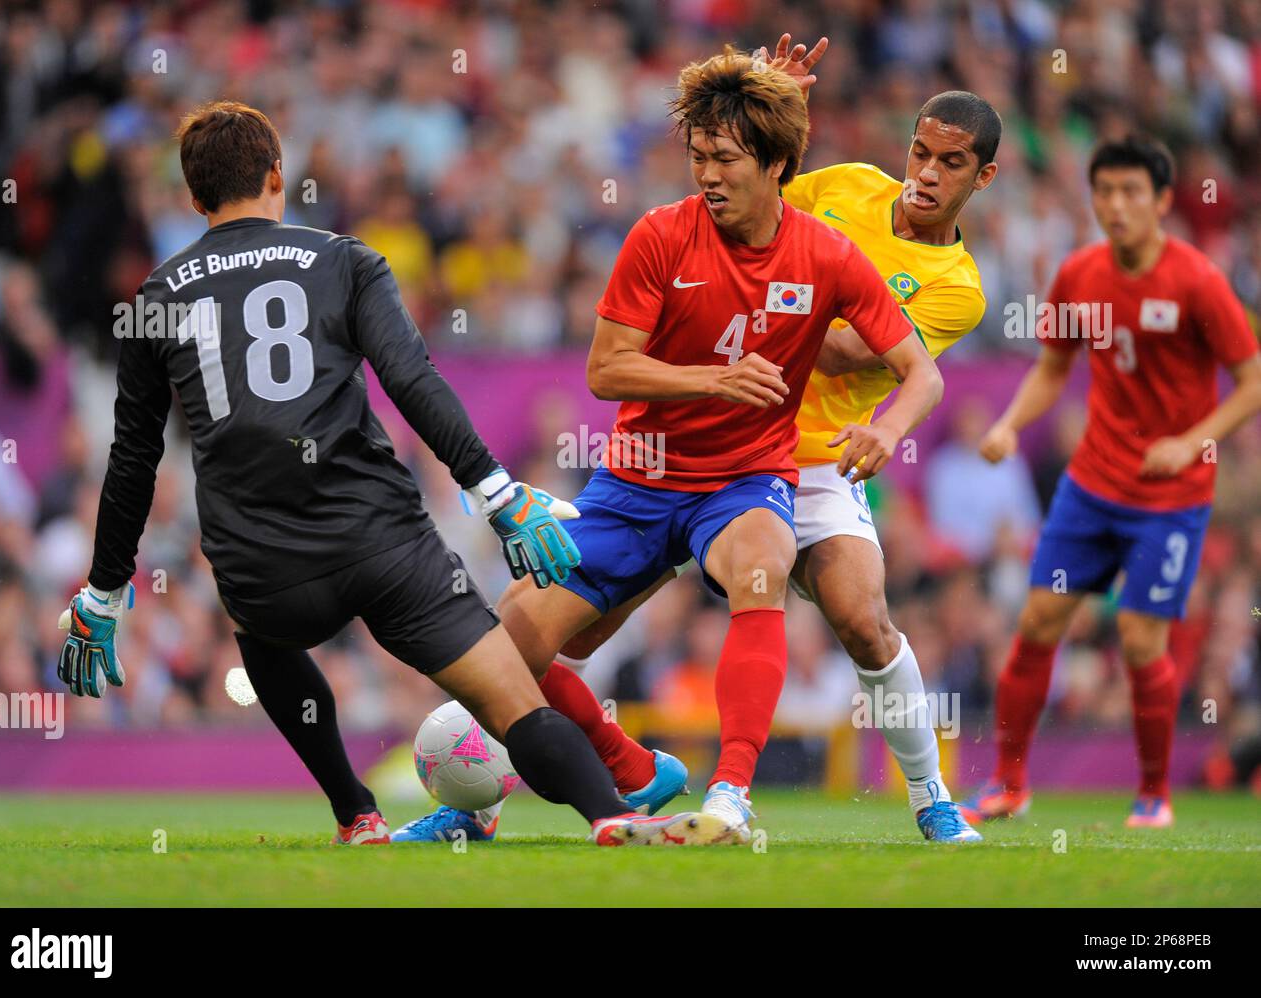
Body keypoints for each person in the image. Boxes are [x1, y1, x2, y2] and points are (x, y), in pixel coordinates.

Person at [55, 100, 726, 848]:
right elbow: (415, 381)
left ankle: (355, 813)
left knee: (261, 638)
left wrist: (106, 591)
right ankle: (612, 815)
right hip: (382, 541)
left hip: (262, 559)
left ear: (193, 197)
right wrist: (496, 494)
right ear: (279, 176)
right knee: (514, 703)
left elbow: (133, 457)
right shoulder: (343, 259)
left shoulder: (159, 297)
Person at [416, 35, 998, 844]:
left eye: (951, 162)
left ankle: (909, 796)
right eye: (920, 153)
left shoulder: (949, 286)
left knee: (858, 617)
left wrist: (880, 423)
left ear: (982, 177)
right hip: (650, 473)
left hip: (803, 460)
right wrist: (770, 99)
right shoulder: (806, 202)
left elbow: (865, 353)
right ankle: (555, 784)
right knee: (516, 643)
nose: (927, 173)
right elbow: (610, 364)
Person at [963, 135, 1261, 828]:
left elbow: (1251, 381)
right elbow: (1051, 369)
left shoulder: (1197, 281)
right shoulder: (1079, 274)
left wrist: (1192, 442)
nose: (1117, 206)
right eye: (1106, 192)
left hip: (1170, 500)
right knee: (1037, 623)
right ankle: (1008, 783)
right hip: (1092, 485)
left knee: (1138, 639)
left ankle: (1154, 794)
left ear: (1161, 201)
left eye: (1132, 193)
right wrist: (1009, 425)